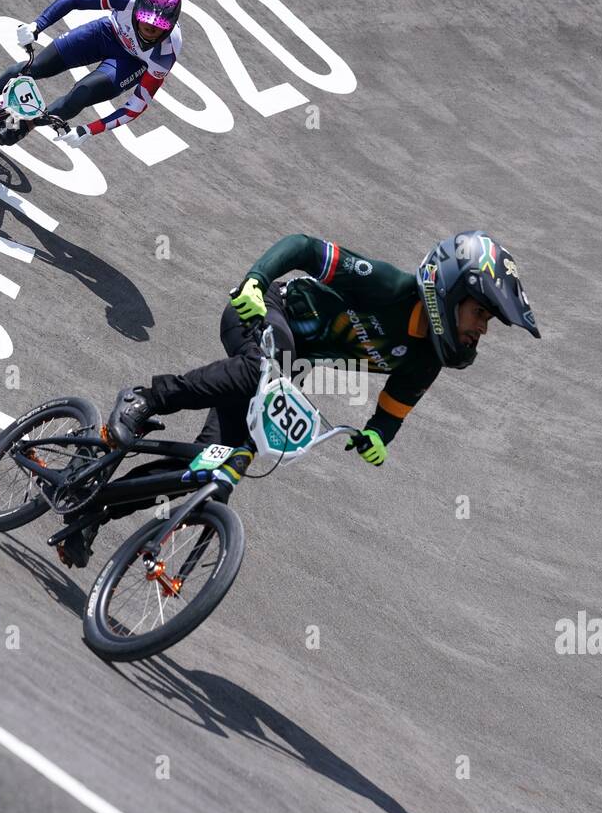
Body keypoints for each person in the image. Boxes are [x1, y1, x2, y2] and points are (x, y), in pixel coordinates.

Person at [56, 230, 541, 567]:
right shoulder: (390, 287)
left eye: (487, 323)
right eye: (479, 314)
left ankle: (90, 512)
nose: (480, 329)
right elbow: (305, 248)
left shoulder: (426, 360)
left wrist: (377, 436)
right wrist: (255, 281)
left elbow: (395, 405)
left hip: (286, 371)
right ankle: (146, 400)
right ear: (450, 291)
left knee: (214, 469)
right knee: (264, 365)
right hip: (264, 314)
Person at [0, 0, 182, 147]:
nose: (150, 31)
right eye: (145, 23)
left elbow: (136, 106)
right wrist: (36, 26)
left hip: (130, 63)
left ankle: (26, 125)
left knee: (81, 95)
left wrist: (90, 130)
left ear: (170, 25)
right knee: (34, 68)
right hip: (107, 34)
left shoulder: (166, 53)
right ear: (137, 8)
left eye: (157, 28)